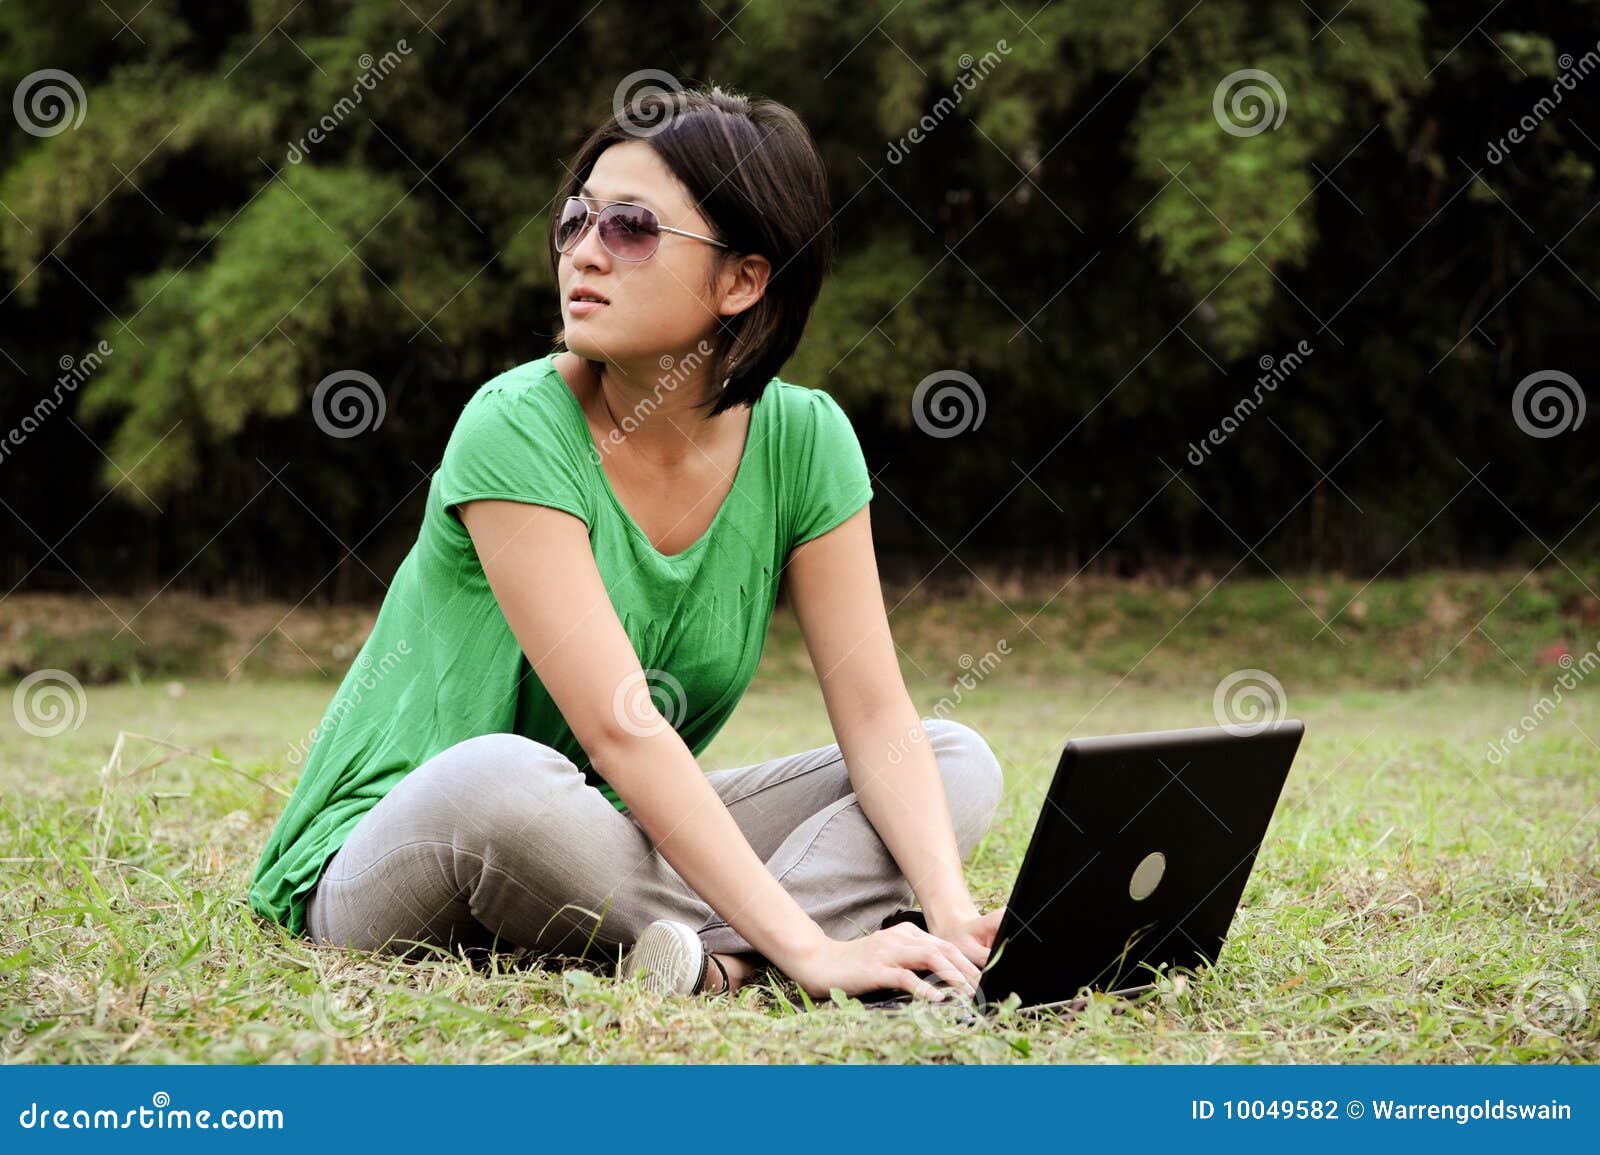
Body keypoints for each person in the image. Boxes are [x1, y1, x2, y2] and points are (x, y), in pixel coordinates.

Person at [248, 83, 1005, 1003]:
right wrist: (814, 944)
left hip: (605, 840)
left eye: (632, 228)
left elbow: (877, 714)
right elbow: (620, 726)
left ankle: (718, 969)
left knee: (953, 759)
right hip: (409, 844)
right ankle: (784, 954)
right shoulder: (516, 425)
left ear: (743, 281)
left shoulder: (805, 440)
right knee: (502, 778)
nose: (583, 253)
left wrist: (949, 907)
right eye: (577, 220)